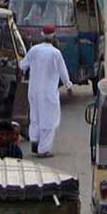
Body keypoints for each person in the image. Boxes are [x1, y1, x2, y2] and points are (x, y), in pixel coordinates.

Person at [20, 24, 74, 157]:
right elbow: (63, 72)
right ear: (54, 36)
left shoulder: (34, 50)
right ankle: (43, 149)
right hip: (48, 93)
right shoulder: (55, 53)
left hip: (33, 91)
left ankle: (34, 141)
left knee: (35, 117)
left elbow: (22, 65)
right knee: (49, 120)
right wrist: (68, 86)